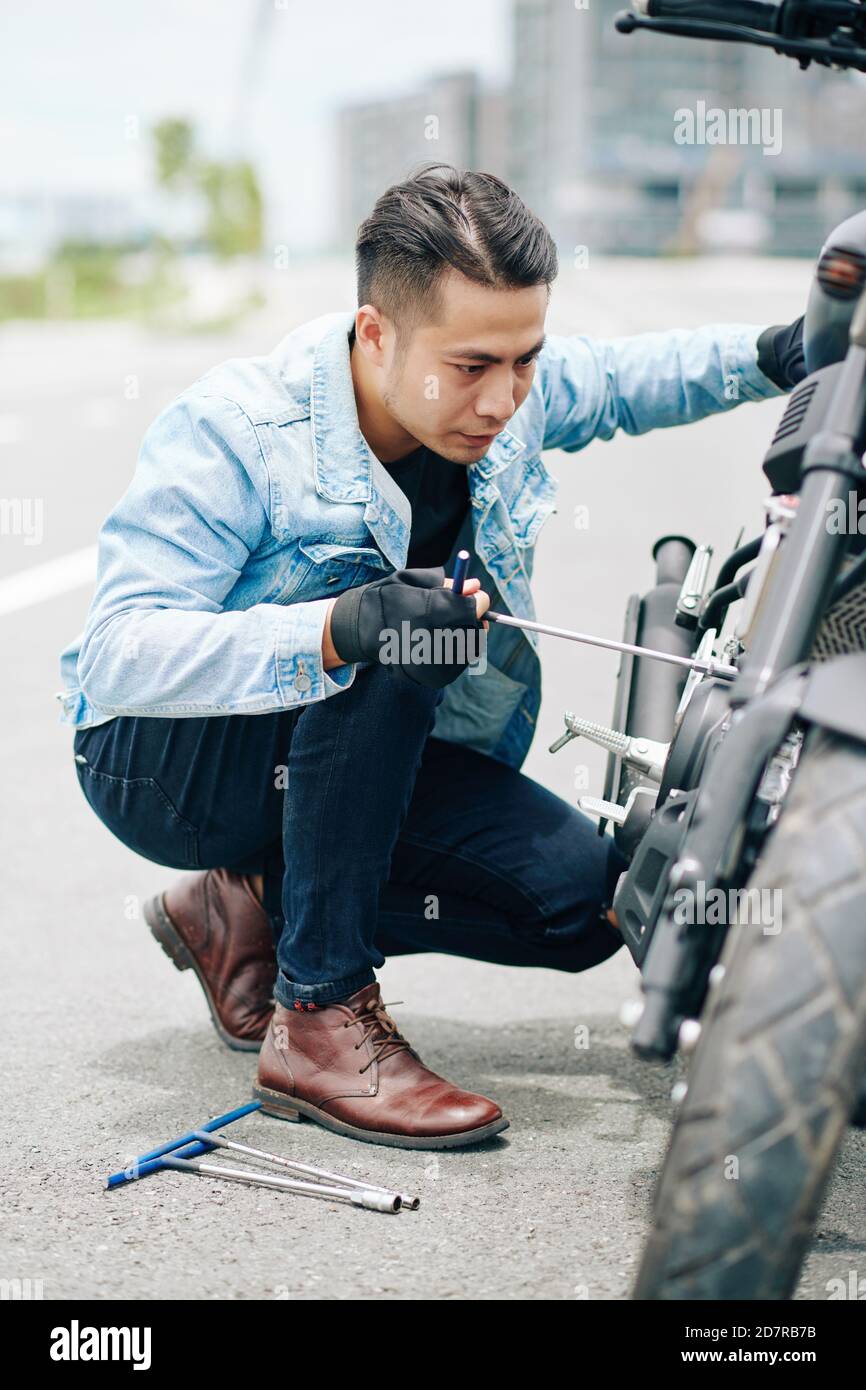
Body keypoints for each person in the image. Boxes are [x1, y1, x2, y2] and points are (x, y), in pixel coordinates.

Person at [56, 162, 804, 1151]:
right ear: (377, 333)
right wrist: (336, 627)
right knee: (394, 637)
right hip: (164, 765)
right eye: (471, 367)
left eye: (523, 360)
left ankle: (249, 905)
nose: (502, 399)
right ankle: (319, 1016)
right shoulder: (237, 429)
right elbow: (117, 657)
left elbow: (627, 378)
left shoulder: (500, 385)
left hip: (343, 758)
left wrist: (783, 351)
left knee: (586, 903)